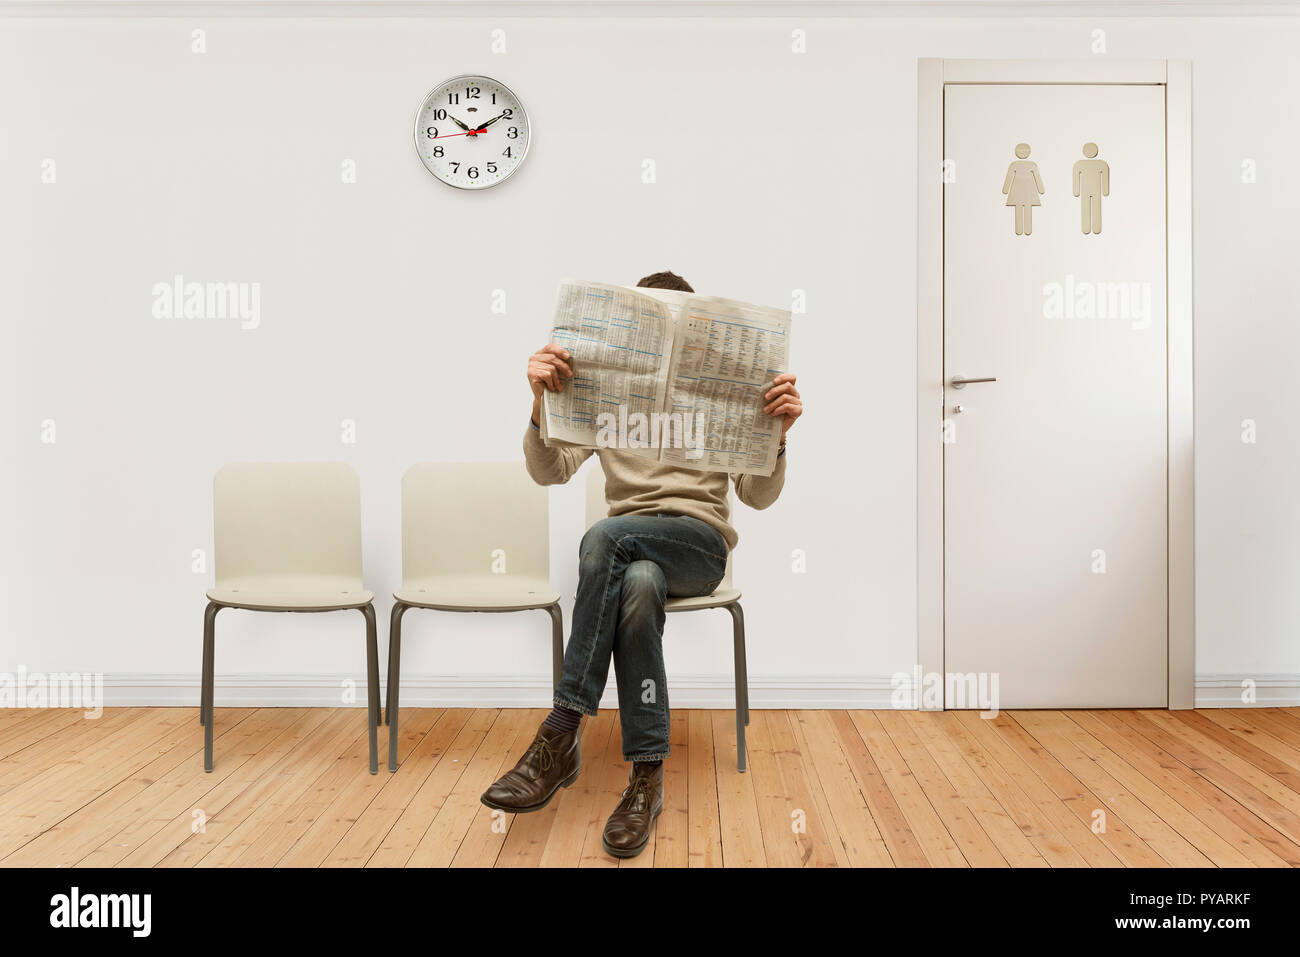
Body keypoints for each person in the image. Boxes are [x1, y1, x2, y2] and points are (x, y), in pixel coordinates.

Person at [480, 270, 803, 858]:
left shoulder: (717, 395)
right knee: (638, 582)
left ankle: (560, 733)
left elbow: (757, 497)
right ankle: (647, 779)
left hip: (698, 544)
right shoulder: (606, 390)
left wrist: (776, 437)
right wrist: (539, 402)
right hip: (631, 553)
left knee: (605, 538)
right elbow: (549, 471)